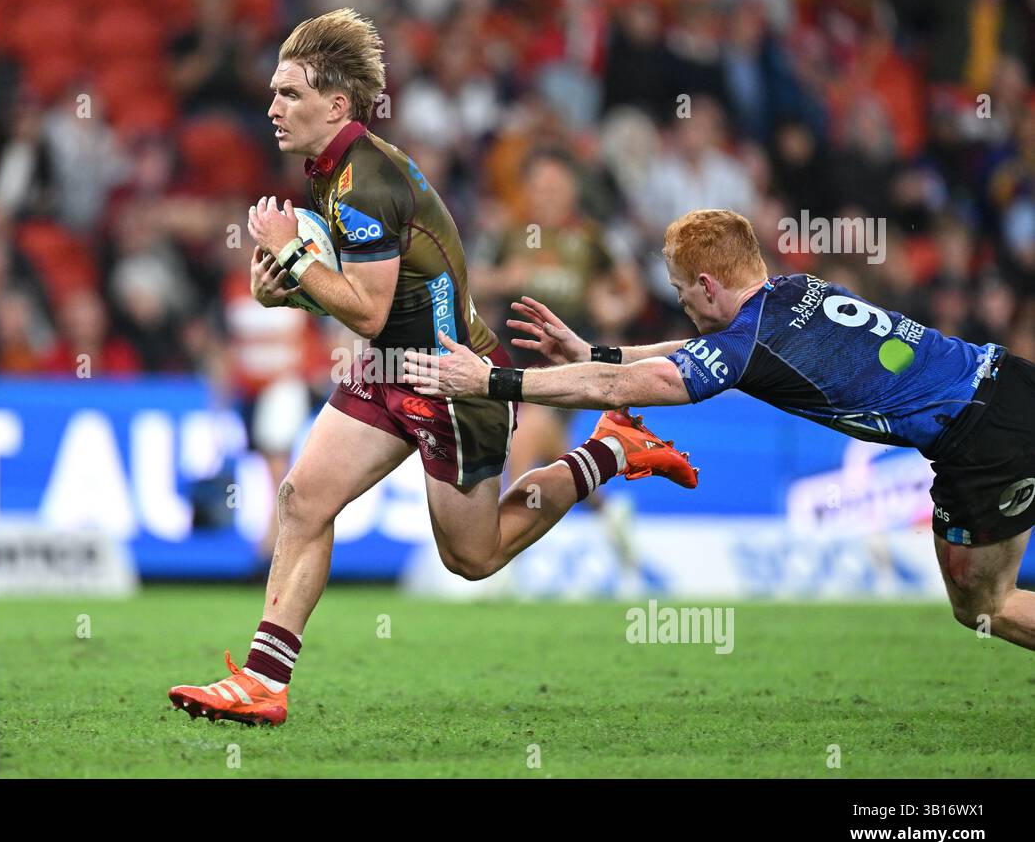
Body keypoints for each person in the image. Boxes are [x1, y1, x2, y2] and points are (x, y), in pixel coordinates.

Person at [167, 9, 697, 727]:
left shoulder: (364, 183)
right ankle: (264, 680)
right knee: (301, 499)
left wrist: (291, 253)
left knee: (473, 558)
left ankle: (610, 450)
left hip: (452, 381)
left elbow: (367, 310)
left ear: (337, 105)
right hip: (389, 367)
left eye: (289, 94)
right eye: (273, 93)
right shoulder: (334, 170)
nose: (272, 108)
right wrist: (285, 288)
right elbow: (368, 304)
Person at [402, 208, 1035, 652]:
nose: (680, 301)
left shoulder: (747, 346)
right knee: (981, 603)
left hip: (982, 439)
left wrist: (491, 381)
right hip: (1007, 380)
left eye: (680, 290)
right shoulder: (793, 290)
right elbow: (703, 351)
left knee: (987, 606)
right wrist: (598, 351)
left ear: (707, 285)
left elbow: (619, 391)